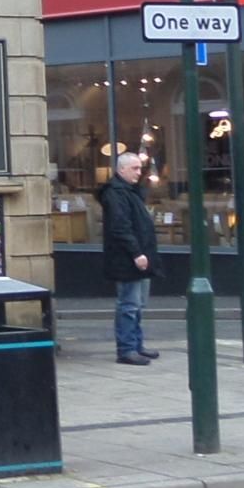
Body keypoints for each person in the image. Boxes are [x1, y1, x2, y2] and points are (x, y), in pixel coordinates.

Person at [98, 150, 161, 366]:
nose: (138, 172)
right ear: (121, 169)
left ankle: (136, 345)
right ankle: (126, 349)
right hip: (128, 259)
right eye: (134, 168)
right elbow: (120, 227)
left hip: (139, 256)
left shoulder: (129, 192)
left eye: (139, 168)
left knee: (138, 304)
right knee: (129, 303)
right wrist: (136, 253)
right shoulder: (116, 193)